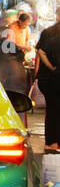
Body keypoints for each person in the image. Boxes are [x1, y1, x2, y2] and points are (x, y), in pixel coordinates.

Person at [35, 19, 60, 151]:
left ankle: (50, 141)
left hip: (46, 78)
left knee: (51, 110)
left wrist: (38, 71)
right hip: (54, 77)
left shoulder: (47, 32)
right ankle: (54, 141)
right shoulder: (53, 36)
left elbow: (39, 52)